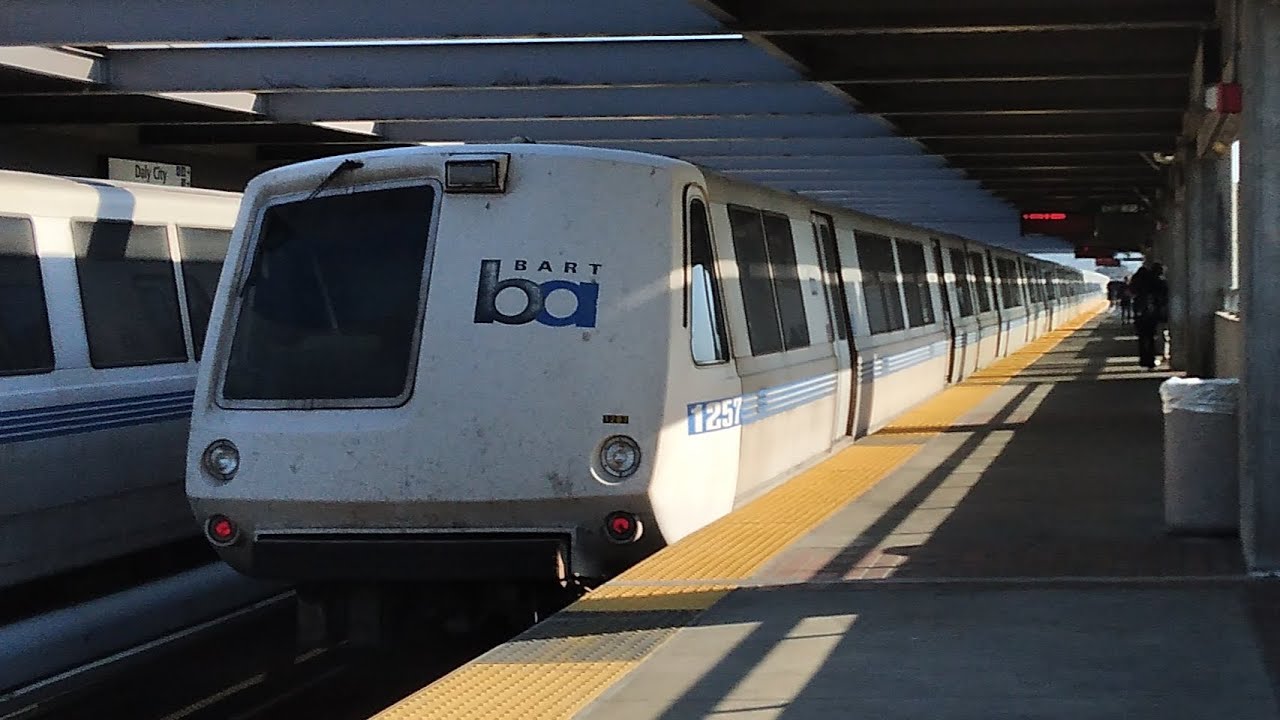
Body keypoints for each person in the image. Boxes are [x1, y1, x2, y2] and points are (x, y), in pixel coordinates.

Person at [1129, 263, 1168, 369]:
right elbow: (1164, 297)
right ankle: (1150, 360)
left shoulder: (1138, 283)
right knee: (1150, 338)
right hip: (1152, 314)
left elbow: (1131, 293)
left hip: (1139, 313)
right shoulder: (1158, 282)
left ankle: (1143, 360)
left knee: (1142, 338)